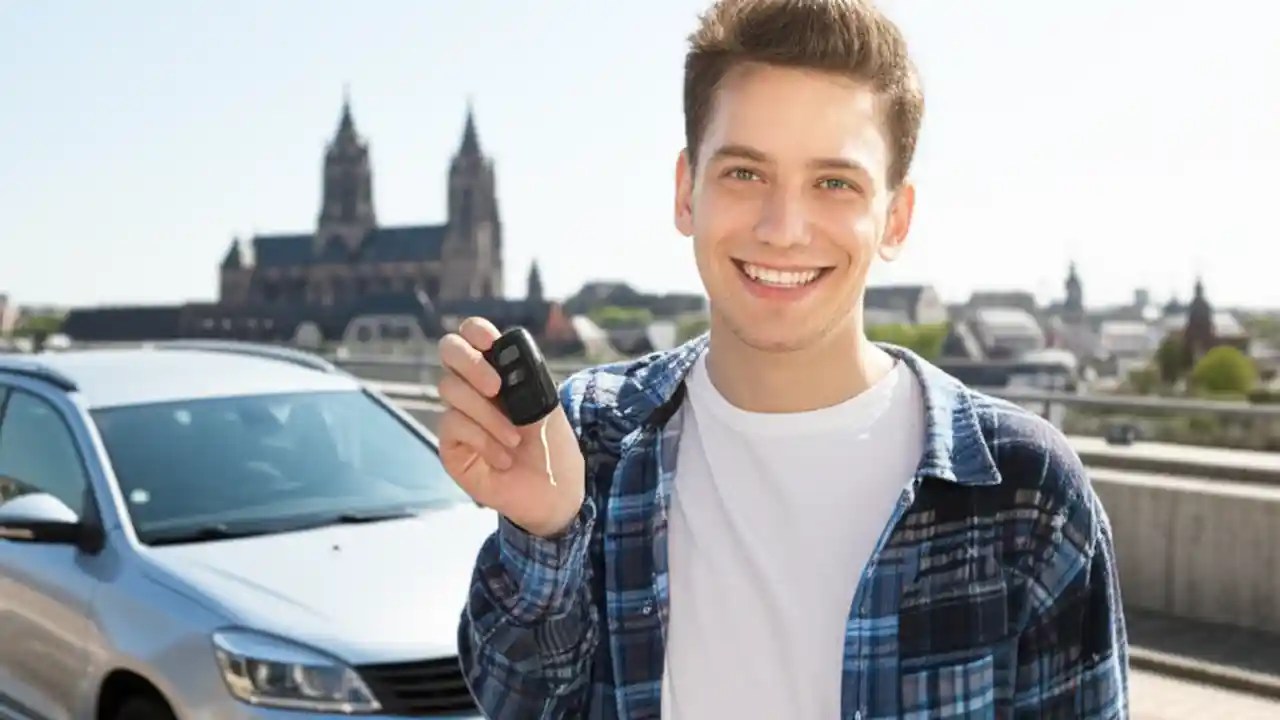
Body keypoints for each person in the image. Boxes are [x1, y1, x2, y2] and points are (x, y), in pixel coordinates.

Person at [438, 0, 1130, 717]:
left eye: (835, 182)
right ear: (686, 192)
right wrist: (543, 533)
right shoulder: (589, 447)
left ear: (895, 218)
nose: (783, 229)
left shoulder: (1025, 491)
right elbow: (517, 704)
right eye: (744, 173)